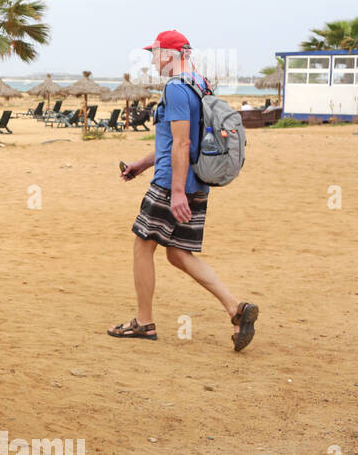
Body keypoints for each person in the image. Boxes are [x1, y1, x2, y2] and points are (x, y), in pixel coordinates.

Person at [108, 30, 259, 351]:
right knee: (177, 253)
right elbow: (177, 141)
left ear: (171, 54)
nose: (152, 58)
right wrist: (141, 164)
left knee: (142, 245)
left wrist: (176, 191)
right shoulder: (200, 84)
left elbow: (183, 142)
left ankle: (143, 322)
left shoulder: (176, 88)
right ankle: (237, 309)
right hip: (198, 181)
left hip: (172, 183)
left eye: (155, 52)